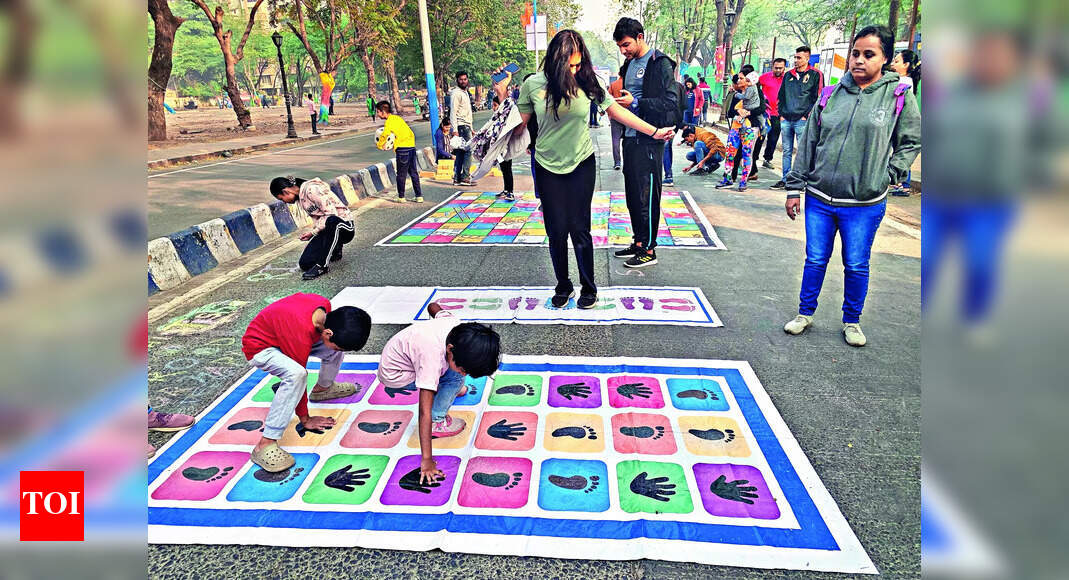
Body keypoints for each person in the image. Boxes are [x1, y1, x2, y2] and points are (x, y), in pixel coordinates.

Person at [510, 30, 674, 306]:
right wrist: (499, 121)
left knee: (580, 228)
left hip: (581, 164)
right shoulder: (534, 85)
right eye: (568, 65)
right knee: (556, 231)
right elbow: (519, 126)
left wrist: (654, 132)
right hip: (547, 166)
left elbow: (616, 112)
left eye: (577, 64)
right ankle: (563, 285)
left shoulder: (587, 81)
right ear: (554, 60)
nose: (574, 70)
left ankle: (589, 286)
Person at [782, 25, 921, 347]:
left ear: (884, 58)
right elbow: (809, 144)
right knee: (815, 258)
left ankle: (852, 320)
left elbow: (911, 141)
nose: (859, 60)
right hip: (819, 198)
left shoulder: (898, 95)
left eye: (868, 55)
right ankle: (804, 313)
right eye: (855, 54)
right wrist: (794, 188)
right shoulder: (831, 95)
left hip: (865, 203)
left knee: (856, 263)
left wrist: (890, 173)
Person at [243, 294, 371, 472]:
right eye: (336, 343)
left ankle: (323, 389)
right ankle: (265, 444)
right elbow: (299, 377)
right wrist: (305, 418)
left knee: (334, 351)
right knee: (296, 375)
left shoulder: (324, 309)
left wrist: (337, 347)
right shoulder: (299, 333)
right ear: (327, 333)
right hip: (261, 346)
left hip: (285, 334)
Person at [378, 301, 500, 485]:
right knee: (455, 379)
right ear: (450, 349)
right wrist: (426, 460)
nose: (466, 374)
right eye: (464, 368)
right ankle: (439, 421)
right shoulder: (432, 359)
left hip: (404, 358)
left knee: (454, 375)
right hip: (396, 375)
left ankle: (447, 386)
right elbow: (424, 411)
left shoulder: (455, 326)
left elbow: (434, 306)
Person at [612, 17, 682, 269]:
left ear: (640, 37)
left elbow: (671, 101)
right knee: (632, 195)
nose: (624, 50)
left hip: (650, 139)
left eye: (627, 44)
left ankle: (650, 248)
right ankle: (639, 241)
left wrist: (637, 103)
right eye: (620, 46)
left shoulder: (659, 64)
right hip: (629, 138)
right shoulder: (629, 64)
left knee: (648, 195)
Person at [270, 176, 354, 280]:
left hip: (344, 227)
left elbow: (331, 214)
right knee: (305, 263)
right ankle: (335, 248)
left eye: (281, 199)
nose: (284, 202)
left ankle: (322, 266)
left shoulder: (312, 190)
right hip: (327, 230)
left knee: (332, 221)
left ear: (286, 191)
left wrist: (314, 232)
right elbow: (319, 220)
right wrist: (313, 234)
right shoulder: (301, 198)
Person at [772, 46, 824, 189]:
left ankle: (800, 181)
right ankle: (785, 179)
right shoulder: (789, 75)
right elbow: (780, 96)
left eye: (799, 58)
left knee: (803, 152)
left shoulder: (816, 74)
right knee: (786, 151)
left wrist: (806, 116)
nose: (796, 60)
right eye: (795, 57)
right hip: (786, 119)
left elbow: (818, 98)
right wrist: (781, 114)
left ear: (807, 58)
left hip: (802, 120)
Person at [715, 73, 761, 192]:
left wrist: (748, 113)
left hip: (750, 128)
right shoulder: (735, 94)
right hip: (735, 128)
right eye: (739, 79)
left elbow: (761, 109)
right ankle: (727, 178)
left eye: (742, 78)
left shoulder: (755, 92)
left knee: (747, 154)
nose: (739, 81)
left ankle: (743, 181)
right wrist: (738, 111)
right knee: (730, 153)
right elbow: (729, 112)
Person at [376, 101, 423, 204]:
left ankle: (401, 197)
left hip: (402, 150)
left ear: (383, 112)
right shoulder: (398, 119)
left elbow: (385, 135)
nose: (378, 115)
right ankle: (419, 196)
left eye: (378, 112)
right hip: (411, 147)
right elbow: (409, 132)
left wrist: (380, 145)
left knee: (401, 174)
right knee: (413, 173)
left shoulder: (389, 122)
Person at [889, 49, 921, 196]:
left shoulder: (904, 82)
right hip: (896, 119)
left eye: (897, 61)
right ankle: (901, 184)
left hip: (898, 121)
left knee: (902, 149)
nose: (893, 64)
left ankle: (904, 184)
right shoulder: (905, 80)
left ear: (906, 64)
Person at [758, 58, 787, 170]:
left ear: (784, 68)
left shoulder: (787, 79)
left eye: (780, 68)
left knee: (773, 138)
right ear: (772, 67)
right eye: (776, 68)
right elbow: (754, 87)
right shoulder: (764, 77)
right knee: (760, 137)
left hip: (779, 114)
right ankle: (754, 158)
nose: (778, 70)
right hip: (765, 114)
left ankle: (767, 159)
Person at [450, 71, 476, 186]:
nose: (463, 81)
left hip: (466, 126)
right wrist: (454, 129)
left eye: (465, 79)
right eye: (461, 79)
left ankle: (457, 178)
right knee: (468, 151)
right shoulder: (456, 93)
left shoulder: (465, 93)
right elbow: (453, 112)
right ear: (457, 80)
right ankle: (465, 177)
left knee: (460, 152)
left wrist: (471, 128)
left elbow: (467, 113)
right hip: (461, 126)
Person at [491, 96, 517, 202]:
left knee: (507, 169)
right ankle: (506, 189)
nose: (493, 108)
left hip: (505, 148)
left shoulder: (506, 117)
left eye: (495, 105)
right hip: (498, 149)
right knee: (503, 168)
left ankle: (510, 191)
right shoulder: (496, 116)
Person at [608, 77, 624, 170]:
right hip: (629, 116)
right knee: (630, 139)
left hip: (615, 115)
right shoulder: (630, 84)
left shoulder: (613, 84)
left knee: (615, 140)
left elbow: (608, 100)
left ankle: (617, 162)